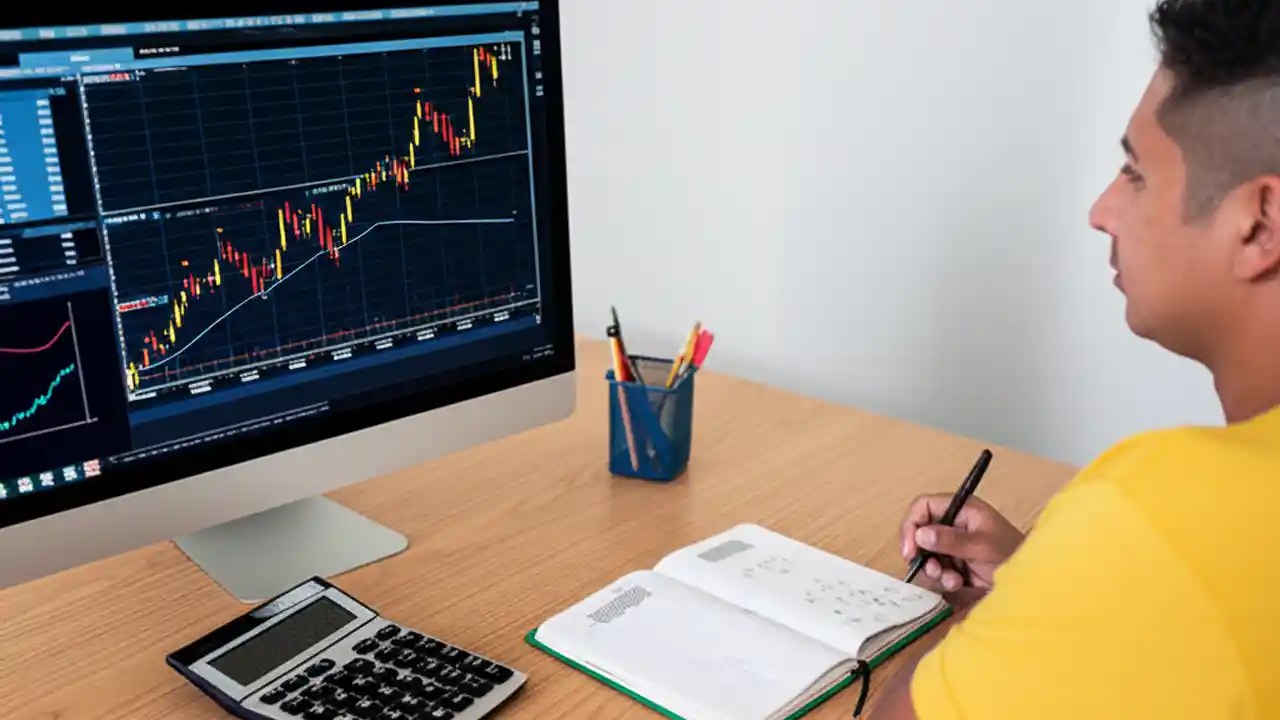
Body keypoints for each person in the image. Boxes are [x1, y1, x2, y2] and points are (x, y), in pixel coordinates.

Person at [870, 1, 1280, 718]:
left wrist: (1076, 591)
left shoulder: (1162, 512)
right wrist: (1050, 590)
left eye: (1135, 173)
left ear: (1261, 224)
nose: (1101, 209)